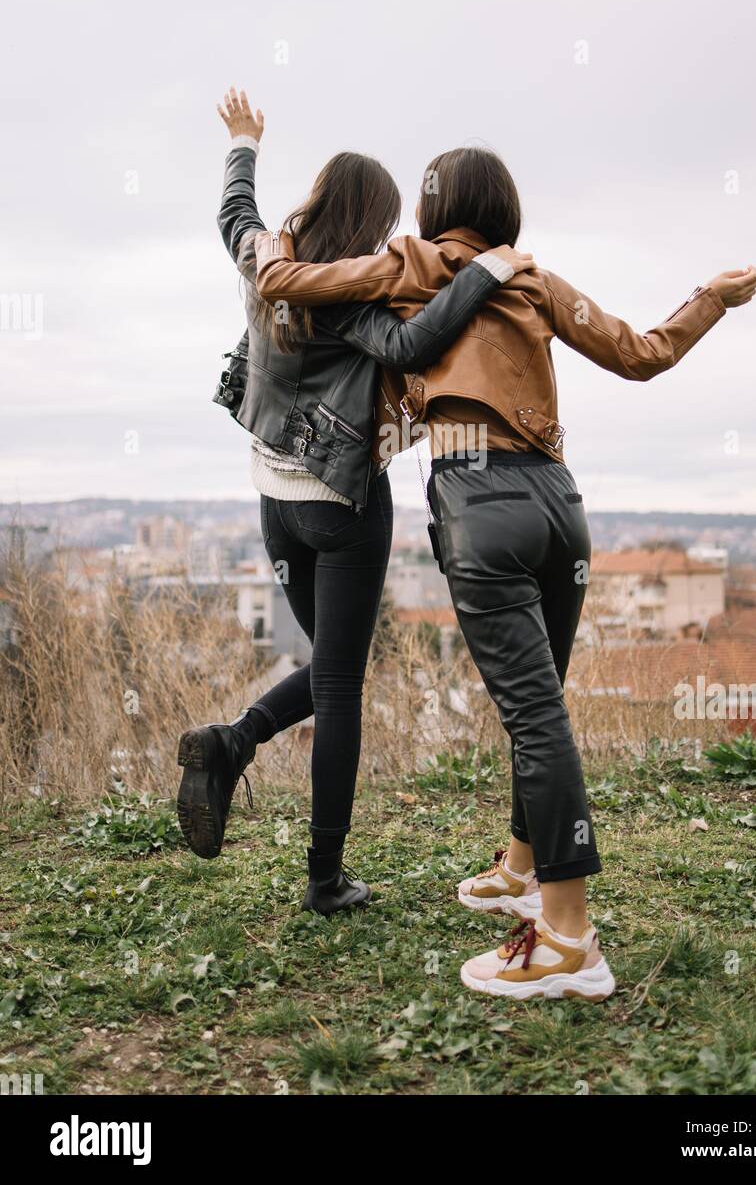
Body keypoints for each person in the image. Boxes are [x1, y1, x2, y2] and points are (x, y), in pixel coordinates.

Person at [252, 143, 756, 997]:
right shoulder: (533, 277)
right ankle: (522, 869)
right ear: (505, 207)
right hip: (560, 504)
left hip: (479, 499)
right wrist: (713, 295)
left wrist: (268, 245)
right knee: (545, 707)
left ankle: (567, 941)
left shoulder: (408, 263)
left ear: (428, 206)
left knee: (533, 717)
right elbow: (642, 353)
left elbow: (291, 286)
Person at [177, 92, 533, 916]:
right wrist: (484, 271)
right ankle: (324, 877)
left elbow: (233, 209)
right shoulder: (352, 299)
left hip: (274, 502)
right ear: (373, 224)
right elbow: (411, 345)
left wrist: (242, 142)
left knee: (334, 667)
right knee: (340, 685)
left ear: (318, 196)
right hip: (343, 506)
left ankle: (232, 743)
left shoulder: (264, 258)